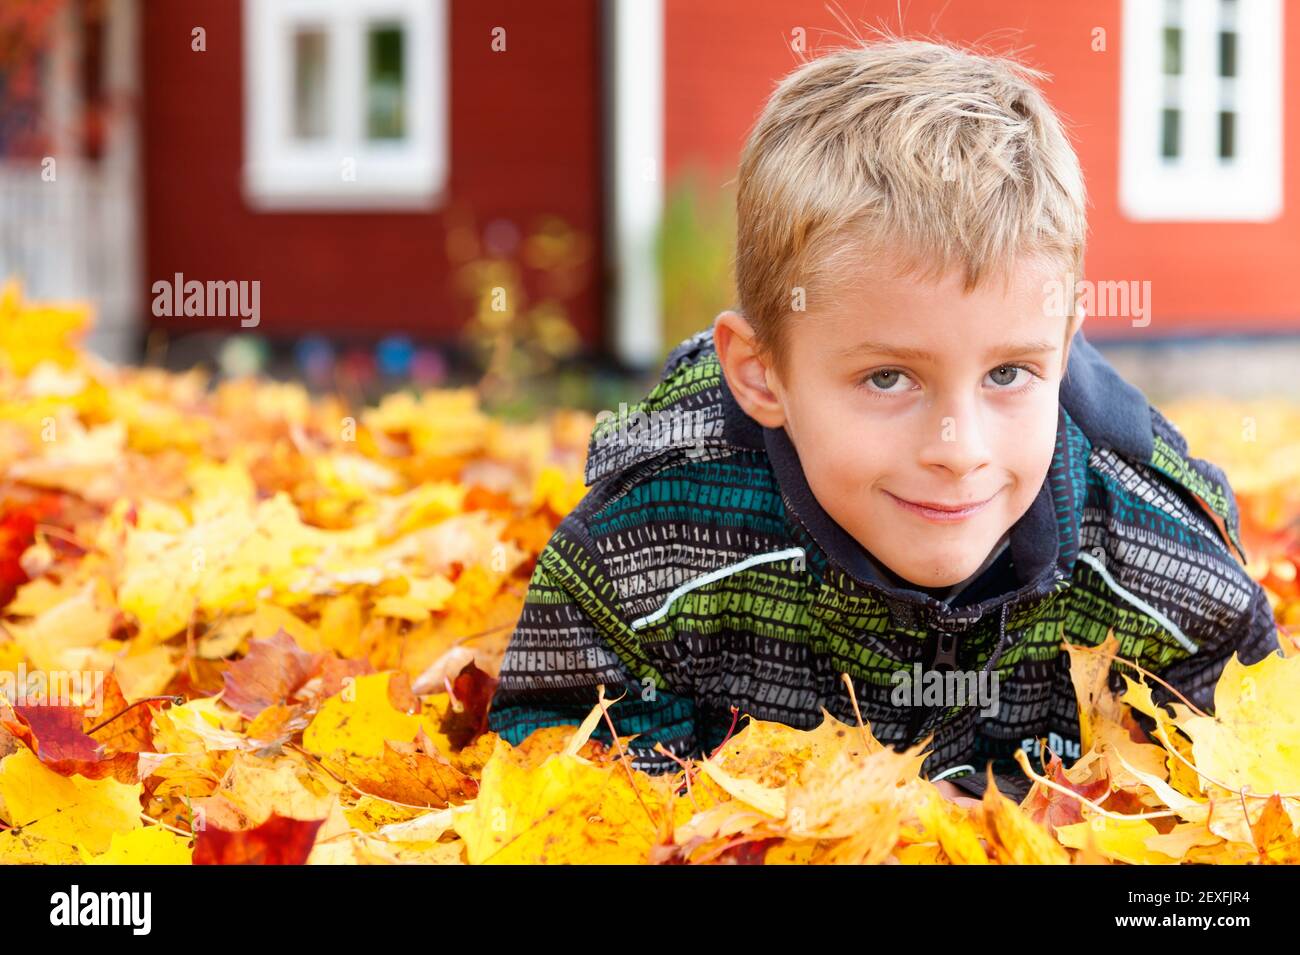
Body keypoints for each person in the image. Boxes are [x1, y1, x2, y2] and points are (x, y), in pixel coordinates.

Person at [486, 37, 1282, 804]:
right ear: (762, 375)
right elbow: (562, 772)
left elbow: (1250, 773)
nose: (958, 450)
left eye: (1008, 373)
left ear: (1066, 346)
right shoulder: (650, 541)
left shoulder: (1155, 561)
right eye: (889, 377)